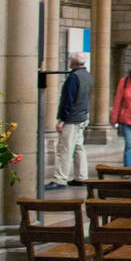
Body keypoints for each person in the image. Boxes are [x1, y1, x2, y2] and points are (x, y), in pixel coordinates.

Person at [47, 52, 92, 190]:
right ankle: (81, 177)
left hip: (72, 119)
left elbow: (68, 99)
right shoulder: (88, 76)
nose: (69, 62)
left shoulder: (74, 77)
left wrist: (62, 119)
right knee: (79, 148)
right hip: (82, 117)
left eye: (70, 60)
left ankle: (60, 179)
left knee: (64, 149)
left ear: (74, 63)